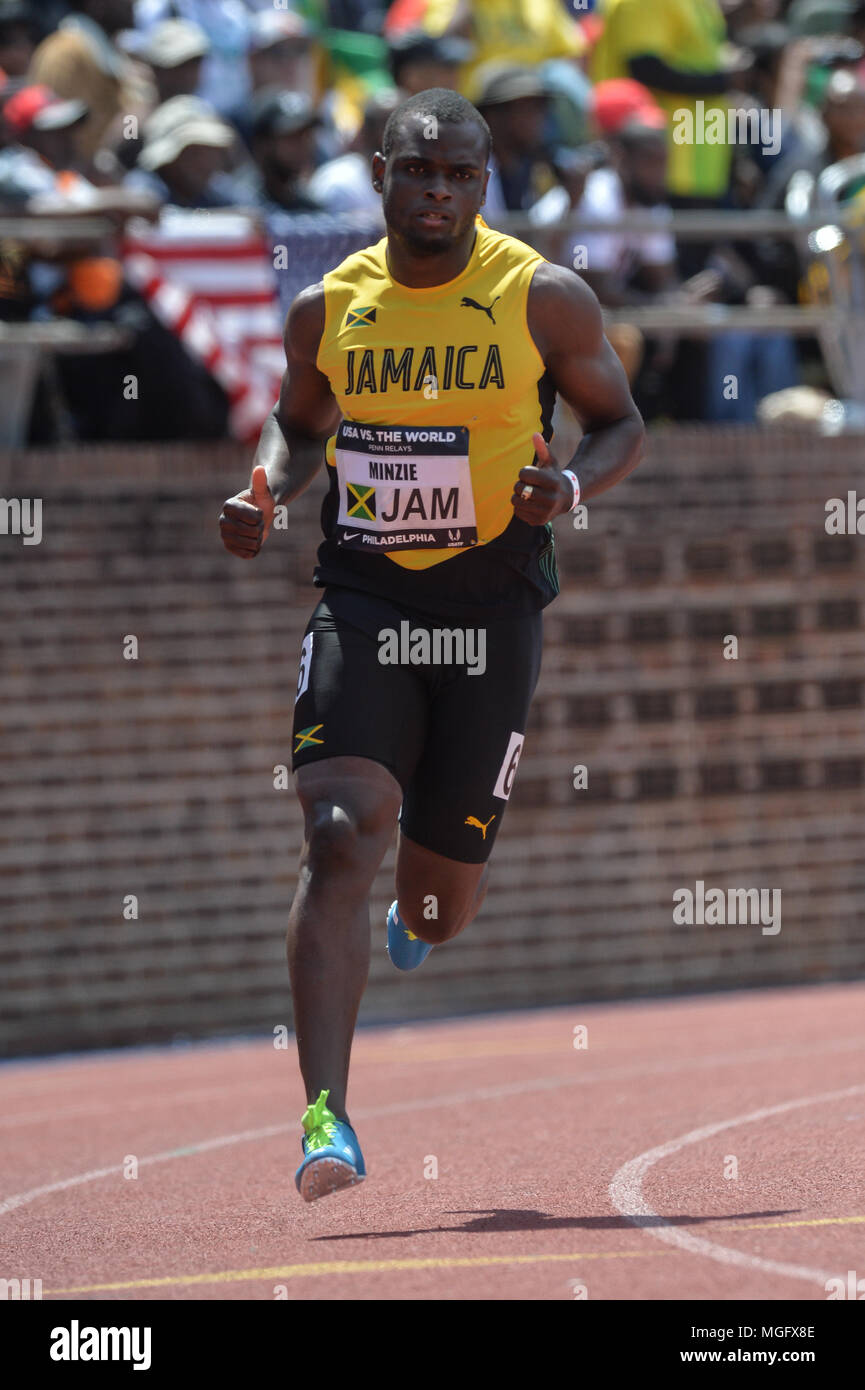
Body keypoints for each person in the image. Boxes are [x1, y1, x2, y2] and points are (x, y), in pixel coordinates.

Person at [218, 88, 644, 1202]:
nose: (439, 193)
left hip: (493, 607)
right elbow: (300, 423)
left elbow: (621, 421)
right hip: (364, 595)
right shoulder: (329, 306)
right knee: (340, 828)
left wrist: (570, 486)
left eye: (461, 175)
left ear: (483, 184)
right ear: (380, 173)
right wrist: (267, 490)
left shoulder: (538, 296)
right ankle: (326, 1113)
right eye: (419, 171)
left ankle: (417, 920)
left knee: (431, 907)